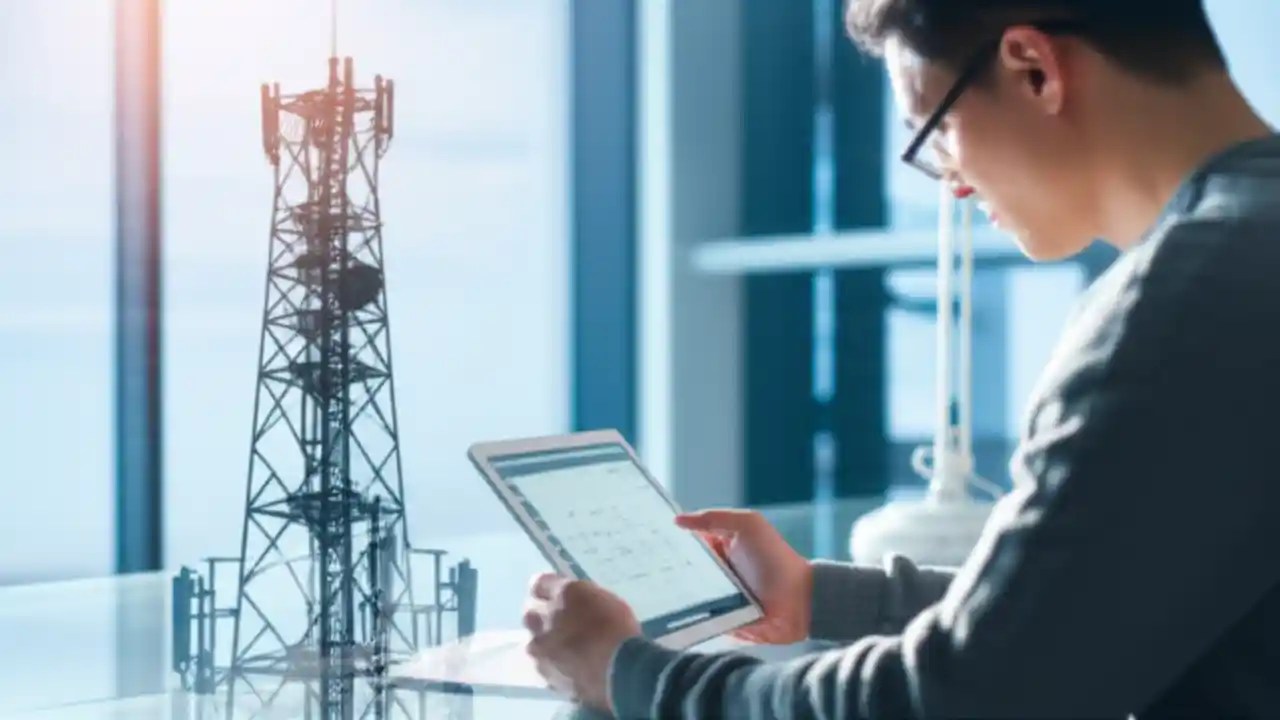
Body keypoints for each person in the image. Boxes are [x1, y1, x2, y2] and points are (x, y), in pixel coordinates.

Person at [522, 0, 1280, 716]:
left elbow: (964, 700)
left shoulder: (1185, 297)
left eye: (934, 131)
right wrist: (821, 598)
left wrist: (631, 675)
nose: (951, 185)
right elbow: (1107, 603)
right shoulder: (1246, 257)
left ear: (1032, 70)